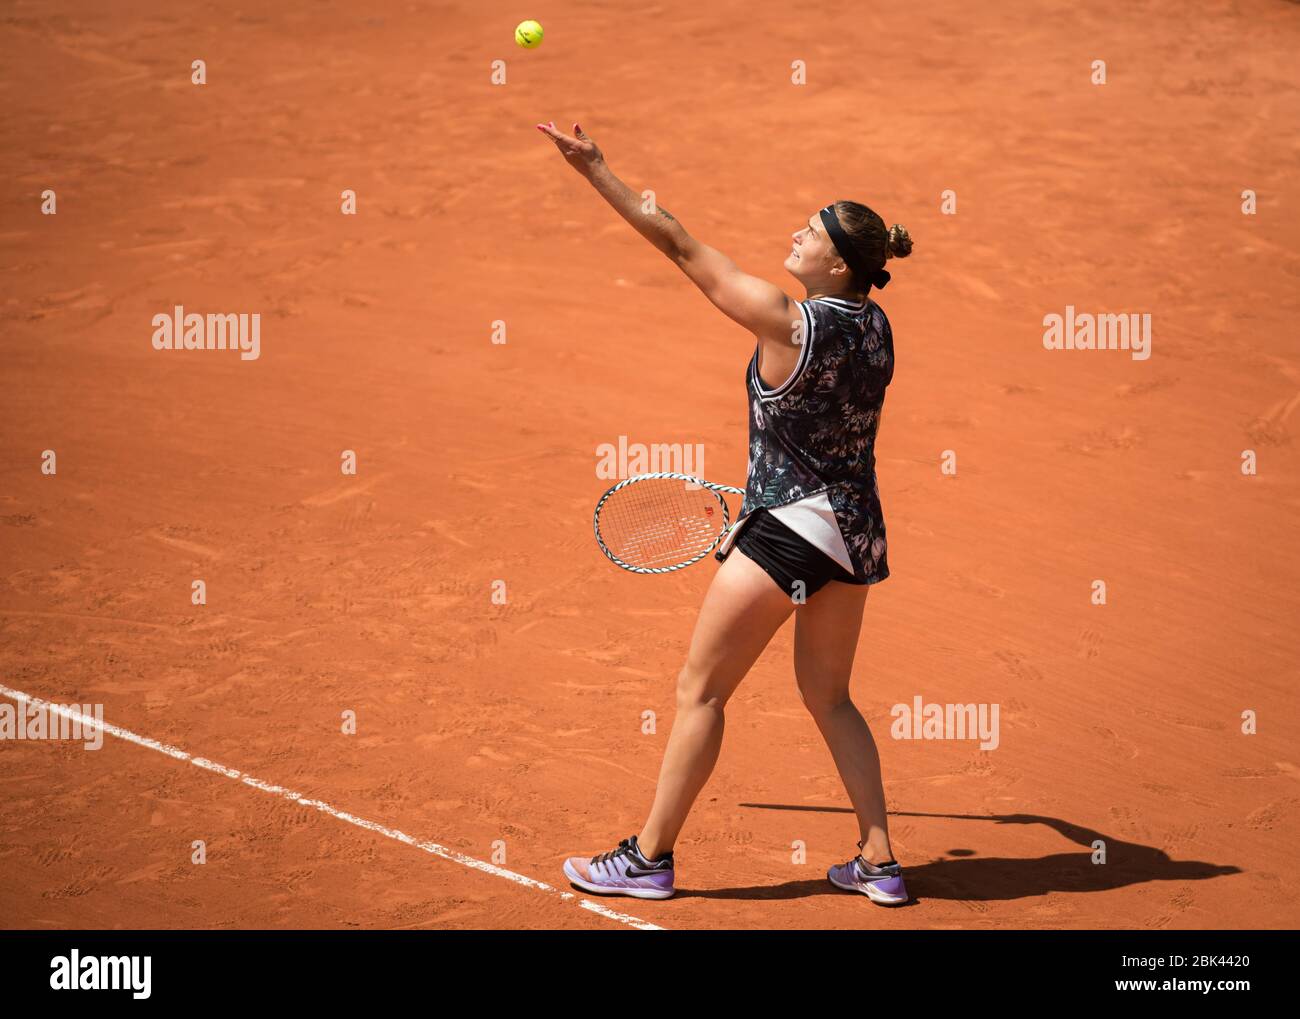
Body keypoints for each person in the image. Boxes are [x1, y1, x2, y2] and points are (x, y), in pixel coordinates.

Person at [537, 121, 913, 906]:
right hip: (856, 533)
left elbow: (678, 244)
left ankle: (648, 857)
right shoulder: (877, 327)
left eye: (809, 232)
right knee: (830, 695)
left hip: (787, 533)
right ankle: (879, 862)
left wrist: (597, 169)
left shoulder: (786, 321)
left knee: (701, 693)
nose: (795, 235)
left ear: (838, 263)